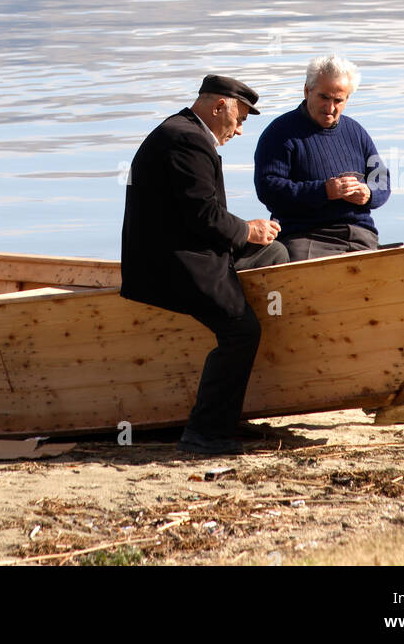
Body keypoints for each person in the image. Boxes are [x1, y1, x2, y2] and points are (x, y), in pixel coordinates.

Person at [120, 74, 288, 456]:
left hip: (193, 249)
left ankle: (239, 406)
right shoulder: (185, 139)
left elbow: (201, 215)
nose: (240, 130)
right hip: (174, 264)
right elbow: (203, 216)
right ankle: (205, 433)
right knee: (241, 332)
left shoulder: (186, 133)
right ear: (219, 107)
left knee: (274, 254)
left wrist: (253, 235)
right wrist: (248, 229)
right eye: (240, 119)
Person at [253, 54, 390, 260]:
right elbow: (268, 189)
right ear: (307, 91)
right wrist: (324, 191)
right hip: (306, 236)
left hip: (359, 234)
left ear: (347, 99)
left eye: (338, 100)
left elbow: (382, 179)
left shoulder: (356, 132)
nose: (330, 108)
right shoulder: (280, 133)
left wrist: (368, 194)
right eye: (324, 97)